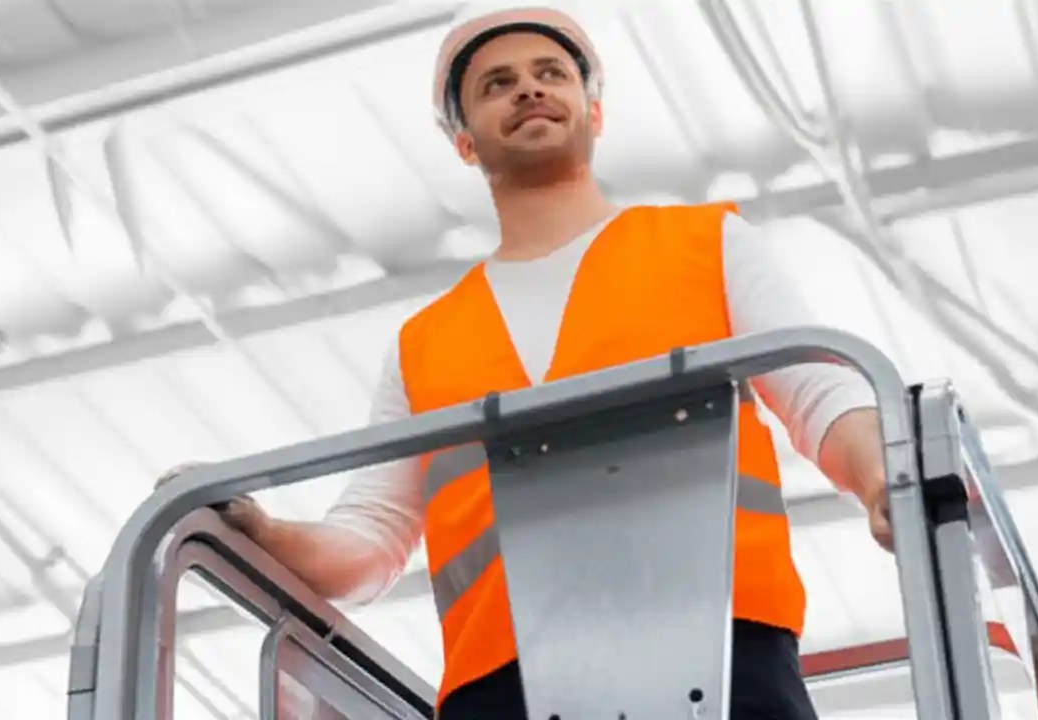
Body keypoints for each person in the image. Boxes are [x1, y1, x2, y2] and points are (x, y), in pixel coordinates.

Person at [158, 5, 893, 718]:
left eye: (550, 73)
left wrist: (881, 479)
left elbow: (820, 393)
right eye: (497, 84)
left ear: (593, 113)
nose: (529, 89)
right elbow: (372, 535)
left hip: (724, 650)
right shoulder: (426, 342)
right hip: (501, 687)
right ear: (466, 143)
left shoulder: (709, 246)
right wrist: (260, 529)